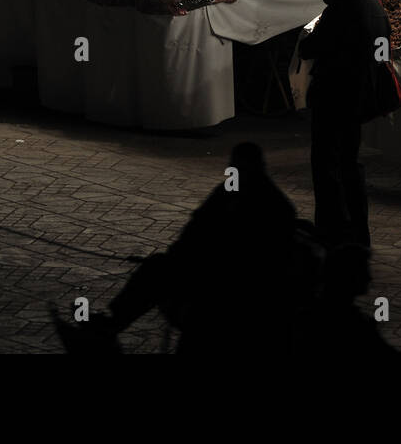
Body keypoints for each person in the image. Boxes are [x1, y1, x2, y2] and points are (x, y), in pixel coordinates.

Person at [65, 143, 297, 354]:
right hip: (208, 279)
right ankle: (109, 325)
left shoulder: (272, 208)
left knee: (176, 287)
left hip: (238, 294)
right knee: (156, 268)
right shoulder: (230, 194)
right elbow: (194, 232)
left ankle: (108, 328)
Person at [298, 0, 391, 247]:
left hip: (333, 97)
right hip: (360, 97)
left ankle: (332, 231)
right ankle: (358, 232)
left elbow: (309, 49)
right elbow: (384, 47)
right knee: (350, 163)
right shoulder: (375, 7)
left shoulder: (339, 11)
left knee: (326, 165)